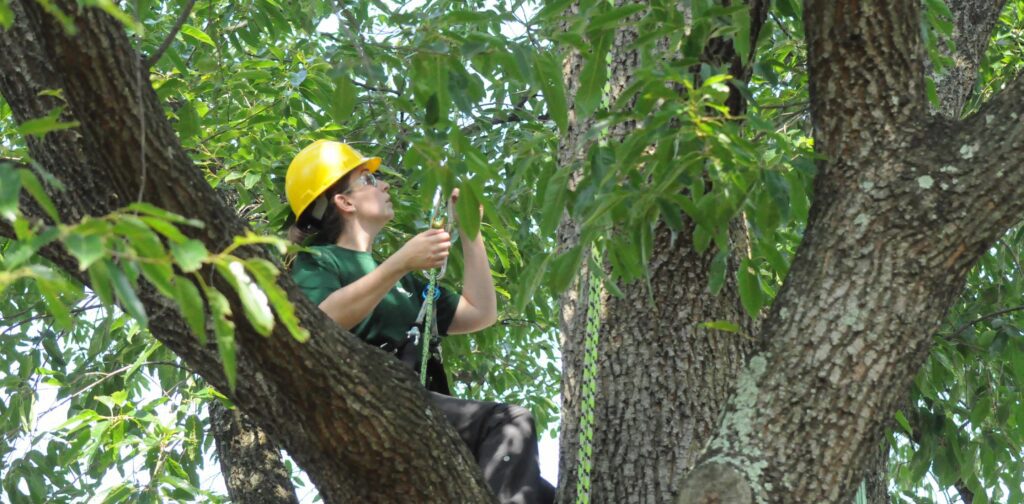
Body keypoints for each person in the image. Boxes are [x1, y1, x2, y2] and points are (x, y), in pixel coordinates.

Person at [285, 140, 554, 504]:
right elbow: (319, 321)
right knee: (508, 423)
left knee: (544, 493)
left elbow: (481, 313)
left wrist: (470, 231)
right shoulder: (319, 261)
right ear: (344, 202)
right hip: (371, 404)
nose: (384, 185)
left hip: (420, 410)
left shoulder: (407, 283)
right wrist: (399, 262)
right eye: (368, 179)